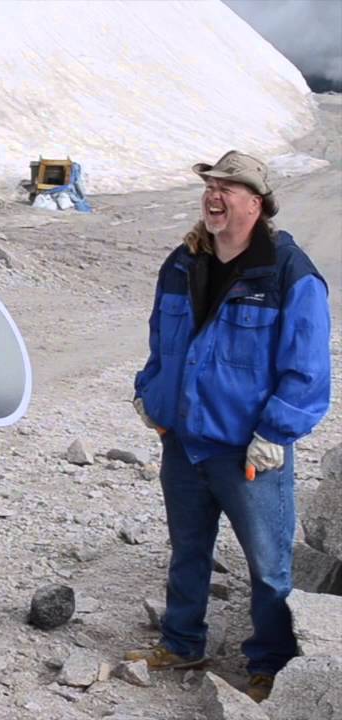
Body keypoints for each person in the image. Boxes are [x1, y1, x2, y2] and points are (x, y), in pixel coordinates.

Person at [127, 150, 330, 702]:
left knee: (268, 567)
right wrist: (152, 396)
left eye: (228, 189)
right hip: (185, 445)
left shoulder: (289, 273)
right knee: (188, 551)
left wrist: (275, 435)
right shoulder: (183, 262)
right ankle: (182, 640)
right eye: (210, 186)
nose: (214, 196)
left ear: (256, 204)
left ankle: (271, 664)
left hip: (248, 452)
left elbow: (307, 370)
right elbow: (160, 342)